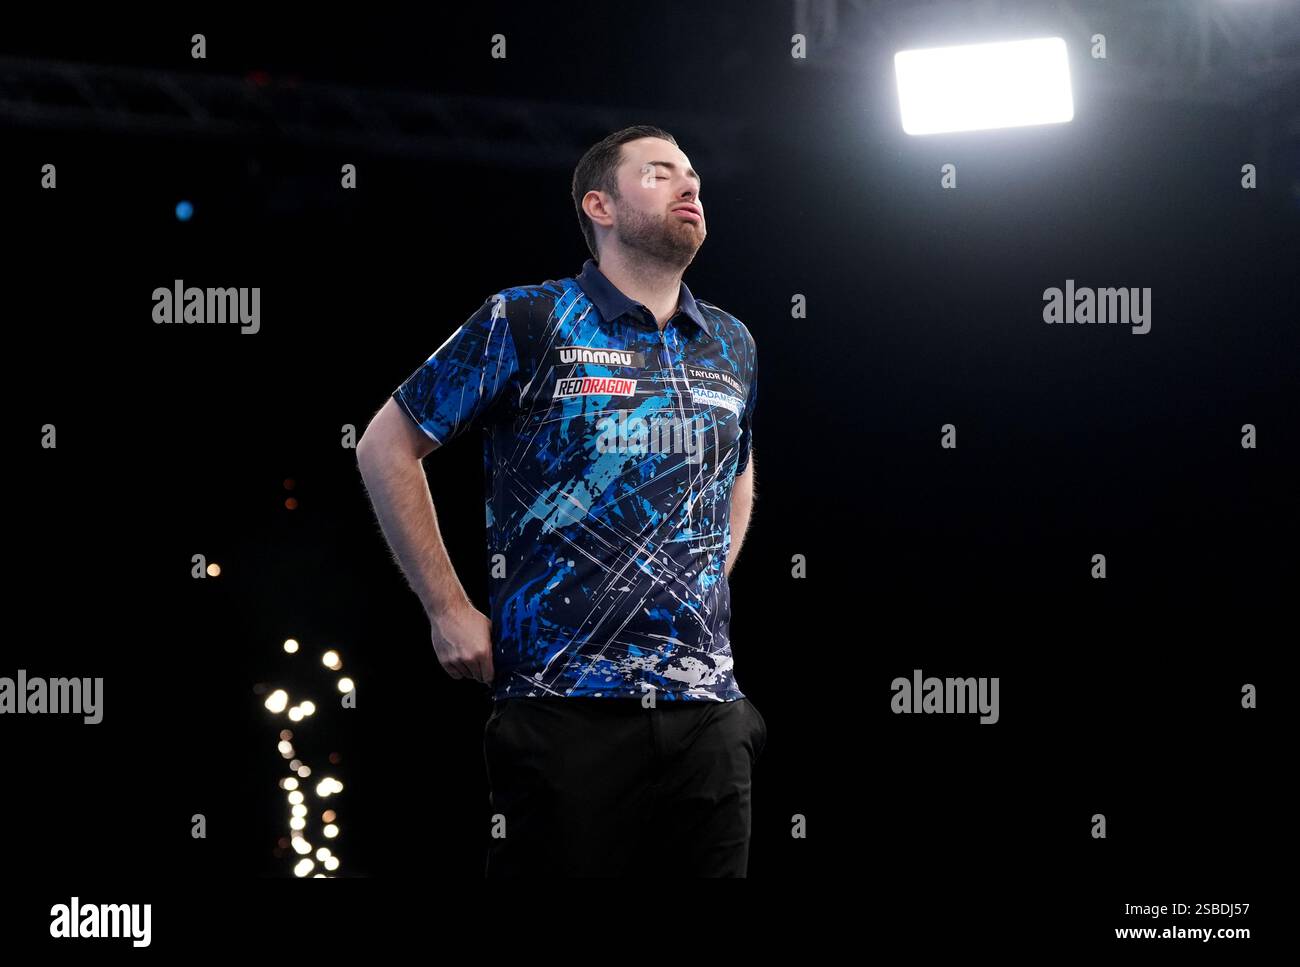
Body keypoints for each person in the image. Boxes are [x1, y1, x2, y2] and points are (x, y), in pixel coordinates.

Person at [357, 124, 765, 876]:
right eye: (659, 173)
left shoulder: (732, 343)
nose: (690, 186)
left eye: (694, 176)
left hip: (708, 711)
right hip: (562, 706)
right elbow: (385, 444)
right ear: (599, 205)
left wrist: (707, 569)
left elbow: (737, 470)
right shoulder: (527, 319)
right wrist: (447, 609)